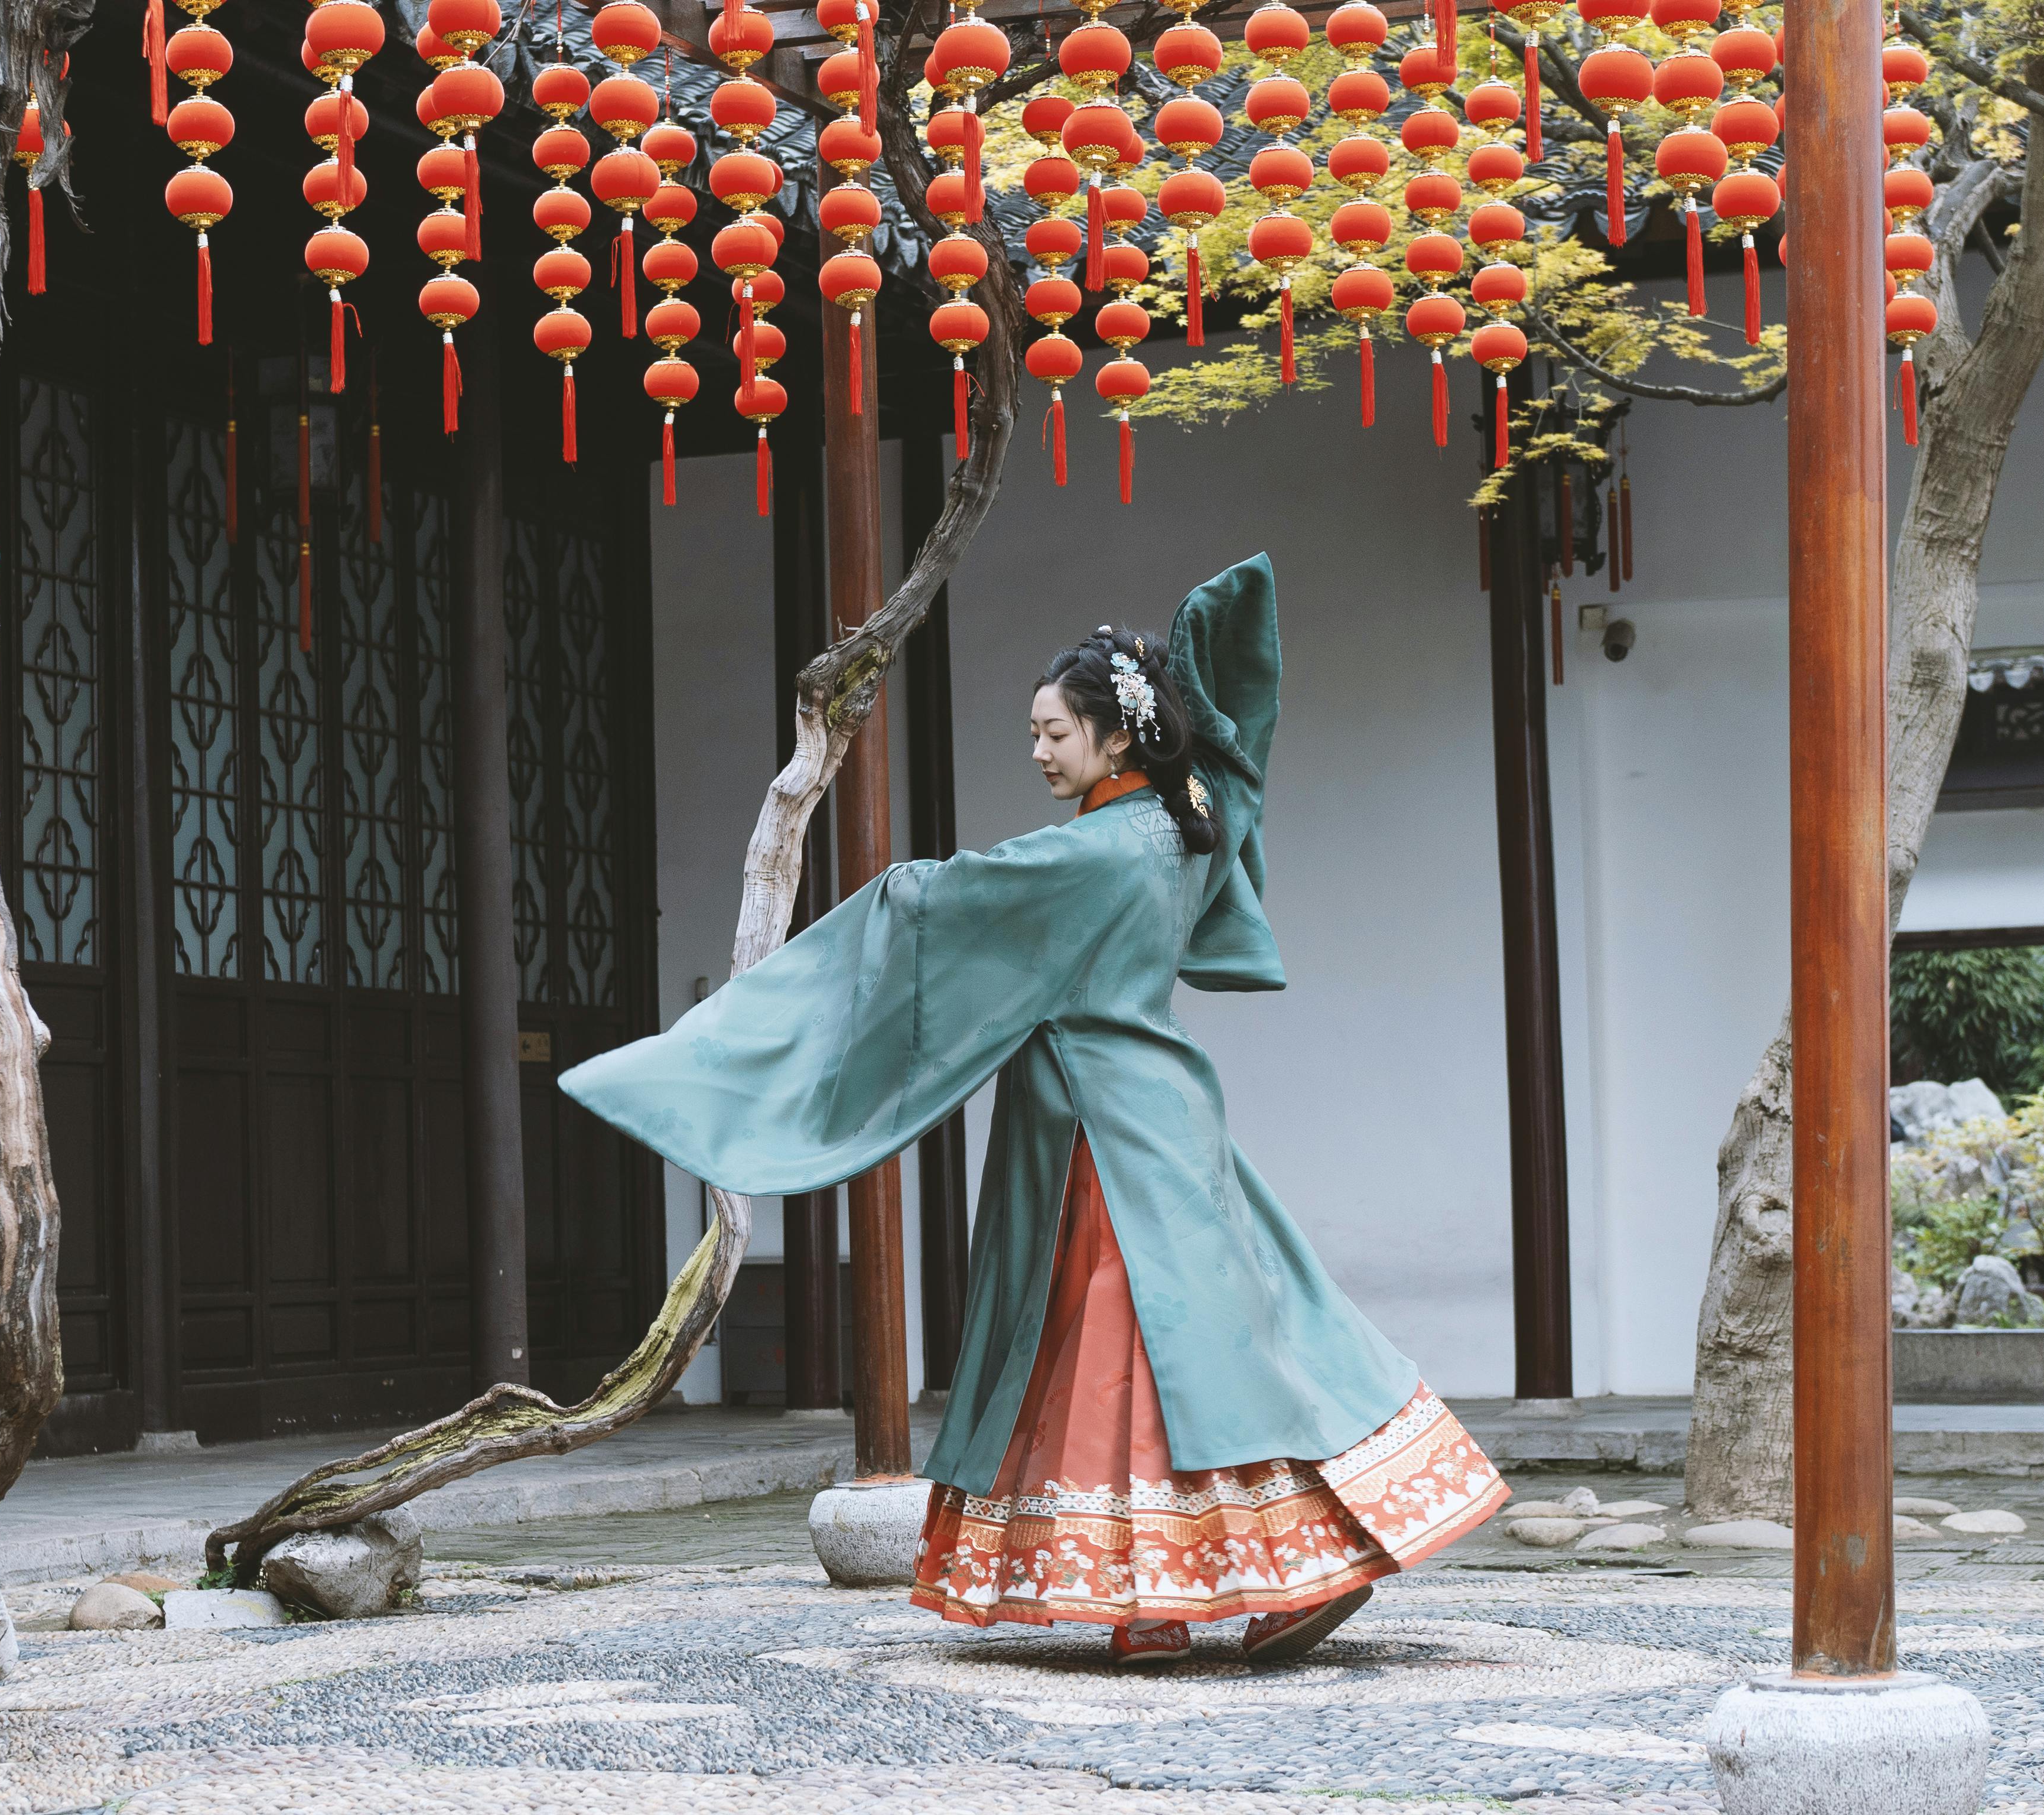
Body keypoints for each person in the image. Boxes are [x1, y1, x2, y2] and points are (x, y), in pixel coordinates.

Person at [561, 554, 1507, 1667]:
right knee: (1223, 1335)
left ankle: (1158, 1593)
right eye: (1034, 731)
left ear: (1118, 737)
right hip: (1165, 1108)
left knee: (1122, 1341)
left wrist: (873, 917)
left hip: (1095, 1128)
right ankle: (1282, 1561)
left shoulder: (1093, 853)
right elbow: (1227, 770)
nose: (1040, 749)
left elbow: (949, 902)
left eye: (1056, 730)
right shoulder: (1184, 828)